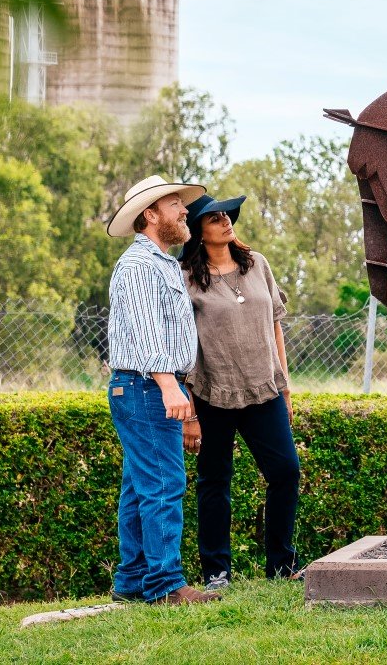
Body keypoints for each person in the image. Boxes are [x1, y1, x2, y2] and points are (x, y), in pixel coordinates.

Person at [105, 174, 219, 606]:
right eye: (175, 204)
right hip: (147, 387)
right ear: (150, 215)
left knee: (139, 486)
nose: (185, 210)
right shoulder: (137, 266)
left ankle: (132, 582)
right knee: (164, 485)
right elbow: (148, 332)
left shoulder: (163, 263)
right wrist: (171, 387)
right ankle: (165, 585)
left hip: (144, 386)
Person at [178, 194, 301, 590]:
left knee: (286, 471)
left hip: (263, 390)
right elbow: (183, 347)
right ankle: (217, 572)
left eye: (226, 215)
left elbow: (276, 326)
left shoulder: (257, 264)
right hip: (213, 393)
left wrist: (284, 387)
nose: (225, 221)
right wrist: (191, 412)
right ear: (198, 231)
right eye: (214, 218)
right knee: (214, 481)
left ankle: (281, 566)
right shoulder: (186, 278)